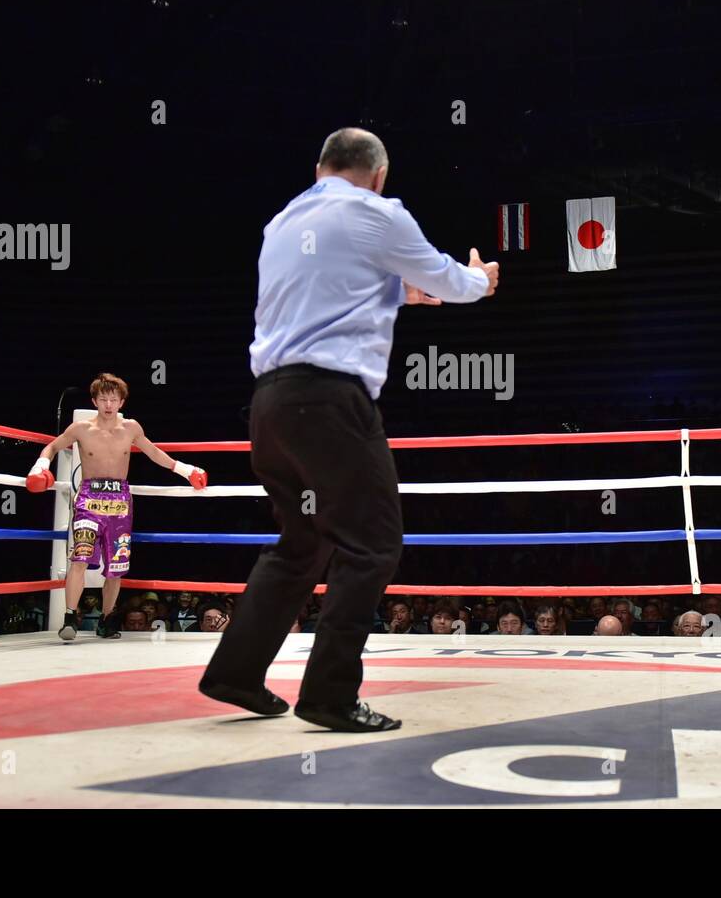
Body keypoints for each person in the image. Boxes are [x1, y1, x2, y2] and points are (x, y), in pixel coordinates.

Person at [199, 127, 498, 732]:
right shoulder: (378, 212)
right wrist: (479, 281)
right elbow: (447, 278)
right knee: (373, 544)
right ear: (380, 174)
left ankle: (236, 671)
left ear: (319, 168)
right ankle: (330, 695)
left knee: (303, 543)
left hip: (269, 404)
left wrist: (394, 293)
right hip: (330, 402)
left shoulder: (281, 224)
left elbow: (322, 292)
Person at [26, 373, 208, 642]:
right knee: (79, 558)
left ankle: (106, 620)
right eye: (103, 399)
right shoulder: (81, 429)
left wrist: (185, 470)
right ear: (94, 400)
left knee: (116, 567)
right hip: (89, 499)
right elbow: (52, 447)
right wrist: (40, 467)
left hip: (120, 501)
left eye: (113, 399)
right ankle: (69, 617)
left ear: (121, 401)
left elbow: (153, 452)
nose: (108, 405)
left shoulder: (131, 428)